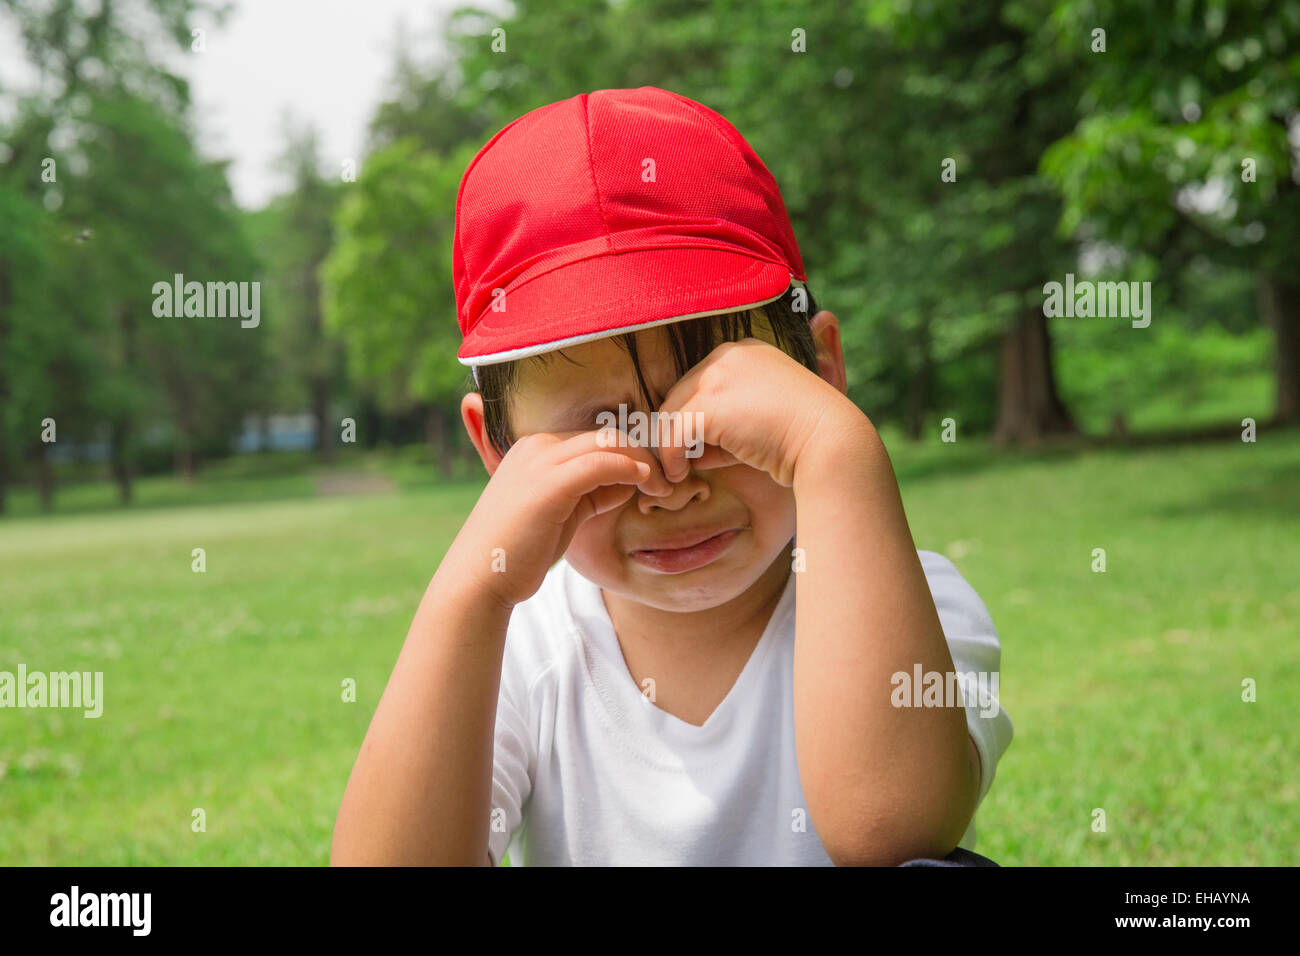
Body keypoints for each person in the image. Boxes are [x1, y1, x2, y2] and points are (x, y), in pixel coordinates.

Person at [331, 86, 1013, 867]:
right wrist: (470, 593)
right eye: (602, 429)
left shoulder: (909, 600)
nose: (669, 481)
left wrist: (833, 449)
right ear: (498, 451)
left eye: (717, 414)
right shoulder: (526, 649)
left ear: (821, 373)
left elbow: (893, 834)